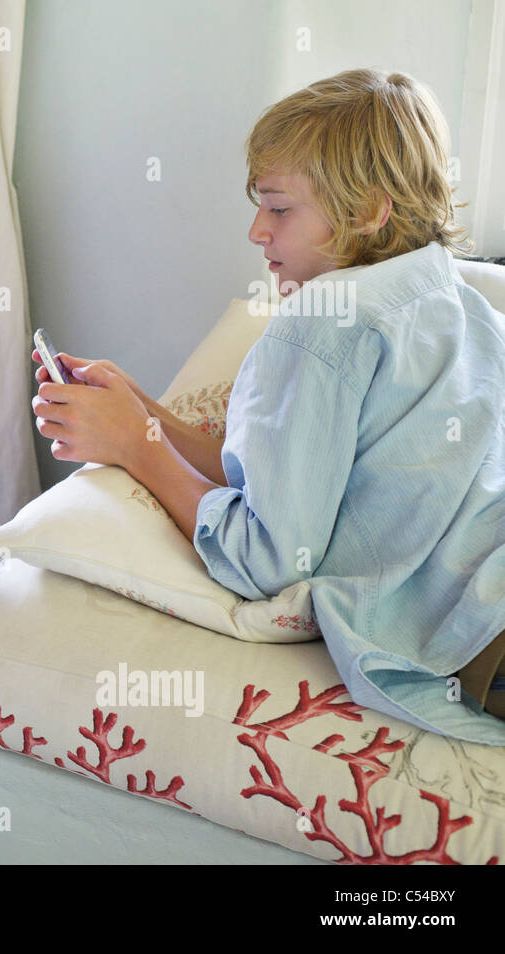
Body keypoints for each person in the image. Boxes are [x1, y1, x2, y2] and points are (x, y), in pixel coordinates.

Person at [30, 68, 505, 744]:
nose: (257, 230)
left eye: (279, 208)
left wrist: (137, 449)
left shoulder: (317, 325)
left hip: (483, 634)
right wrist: (142, 411)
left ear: (371, 210)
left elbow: (268, 558)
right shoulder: (452, 295)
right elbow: (268, 471)